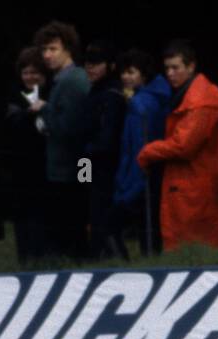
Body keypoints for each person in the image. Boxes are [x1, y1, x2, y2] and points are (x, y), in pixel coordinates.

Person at [136, 40, 218, 251]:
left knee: (194, 252)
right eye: (167, 68)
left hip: (196, 188)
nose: (170, 73)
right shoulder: (191, 97)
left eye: (175, 67)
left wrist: (148, 152)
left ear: (191, 66)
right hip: (192, 185)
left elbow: (184, 146)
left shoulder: (200, 102)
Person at [31, 21, 90, 259]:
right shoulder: (62, 80)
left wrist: (44, 111)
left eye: (53, 49)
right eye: (44, 50)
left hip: (70, 169)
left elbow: (69, 128)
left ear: (68, 49)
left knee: (70, 232)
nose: (47, 55)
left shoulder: (72, 80)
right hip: (65, 167)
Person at [111, 48, 170, 256]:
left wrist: (128, 179)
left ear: (143, 75)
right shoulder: (151, 98)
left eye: (131, 72)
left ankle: (128, 266)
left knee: (119, 225)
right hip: (150, 169)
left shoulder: (140, 104)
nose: (125, 77)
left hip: (141, 171)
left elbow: (137, 144)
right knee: (148, 225)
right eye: (123, 72)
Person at [0, 46, 51, 266]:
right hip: (21, 167)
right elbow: (8, 129)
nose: (30, 77)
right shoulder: (13, 97)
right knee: (23, 217)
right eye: (26, 72)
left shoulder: (53, 95)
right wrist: (26, 115)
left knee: (45, 214)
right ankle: (26, 260)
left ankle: (47, 258)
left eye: (35, 72)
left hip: (47, 166)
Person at [82, 42, 127, 258]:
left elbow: (108, 138)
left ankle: (110, 256)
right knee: (89, 204)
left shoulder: (112, 94)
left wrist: (89, 149)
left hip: (106, 165)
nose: (90, 68)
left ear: (110, 66)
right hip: (89, 161)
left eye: (96, 63)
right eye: (88, 63)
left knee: (102, 211)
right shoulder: (95, 91)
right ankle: (95, 253)